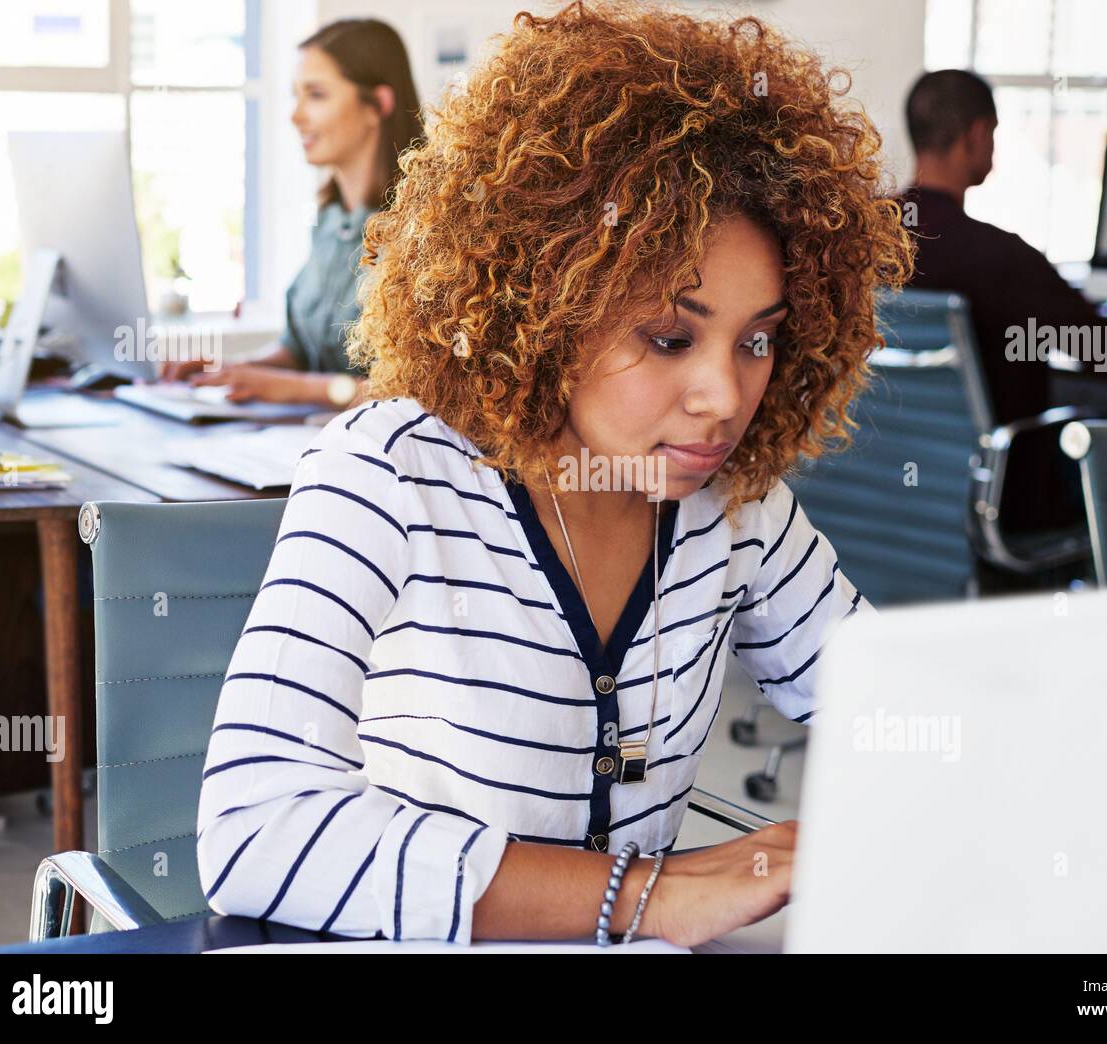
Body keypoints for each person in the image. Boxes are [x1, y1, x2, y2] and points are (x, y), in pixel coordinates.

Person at [195, 0, 913, 948]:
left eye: (759, 341)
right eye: (669, 336)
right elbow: (252, 834)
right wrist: (641, 894)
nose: (723, 398)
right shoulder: (389, 470)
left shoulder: (737, 512)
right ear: (545, 301)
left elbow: (912, 712)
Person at [897, 69, 1107, 532]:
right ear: (978, 134)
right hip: (1004, 502)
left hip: (890, 493)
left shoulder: (857, 240)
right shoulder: (1000, 258)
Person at [160, 18, 422, 409]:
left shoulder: (427, 230)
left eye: (316, 95)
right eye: (295, 95)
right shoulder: (331, 222)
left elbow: (420, 391)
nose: (295, 115)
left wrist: (292, 388)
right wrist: (231, 370)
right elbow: (300, 351)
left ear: (378, 104)